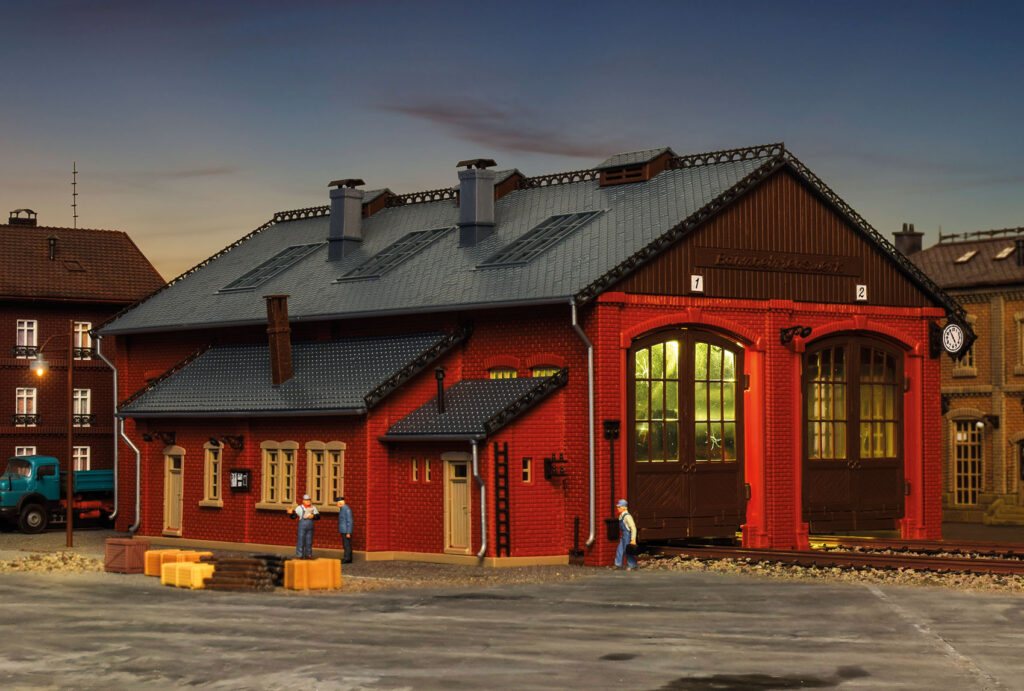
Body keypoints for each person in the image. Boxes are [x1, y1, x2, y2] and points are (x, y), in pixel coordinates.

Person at [287, 494, 320, 559]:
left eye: (309, 500)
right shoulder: (300, 508)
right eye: (306, 500)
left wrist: (313, 516)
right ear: (303, 501)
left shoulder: (313, 507)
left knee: (309, 541)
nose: (308, 501)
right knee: (300, 540)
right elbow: (295, 516)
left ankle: (309, 554)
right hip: (302, 526)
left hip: (310, 526)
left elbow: (318, 516)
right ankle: (299, 555)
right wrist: (291, 513)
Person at [614, 499, 637, 570]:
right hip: (624, 536)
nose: (617, 508)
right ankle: (618, 564)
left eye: (619, 507)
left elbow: (633, 528)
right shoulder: (621, 516)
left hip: (627, 536)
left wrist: (633, 539)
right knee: (619, 550)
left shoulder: (627, 516)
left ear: (624, 508)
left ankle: (632, 565)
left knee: (627, 550)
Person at [336, 496, 353, 563]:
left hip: (346, 530)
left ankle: (347, 558)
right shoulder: (343, 509)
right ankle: (347, 557)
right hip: (343, 530)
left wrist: (348, 532)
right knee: (345, 544)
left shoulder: (346, 510)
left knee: (347, 544)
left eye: (337, 502)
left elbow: (349, 521)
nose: (336, 504)